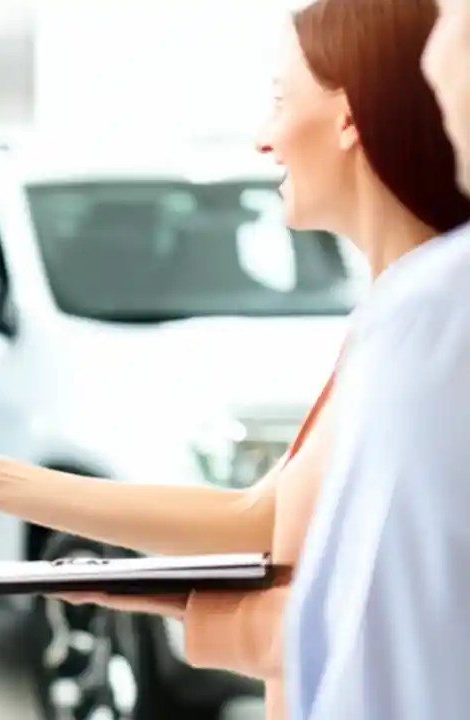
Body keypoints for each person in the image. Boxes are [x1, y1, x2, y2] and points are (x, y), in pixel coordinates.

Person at [0, 1, 470, 718]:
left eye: (280, 99)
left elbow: (378, 619)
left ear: (349, 117)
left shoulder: (429, 325)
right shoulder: (392, 317)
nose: (263, 138)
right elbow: (257, 517)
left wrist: (180, 602)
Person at [282, 0, 470, 716]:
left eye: (455, 18)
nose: (433, 60)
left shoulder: (430, 315)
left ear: (349, 115)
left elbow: (386, 658)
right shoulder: (414, 312)